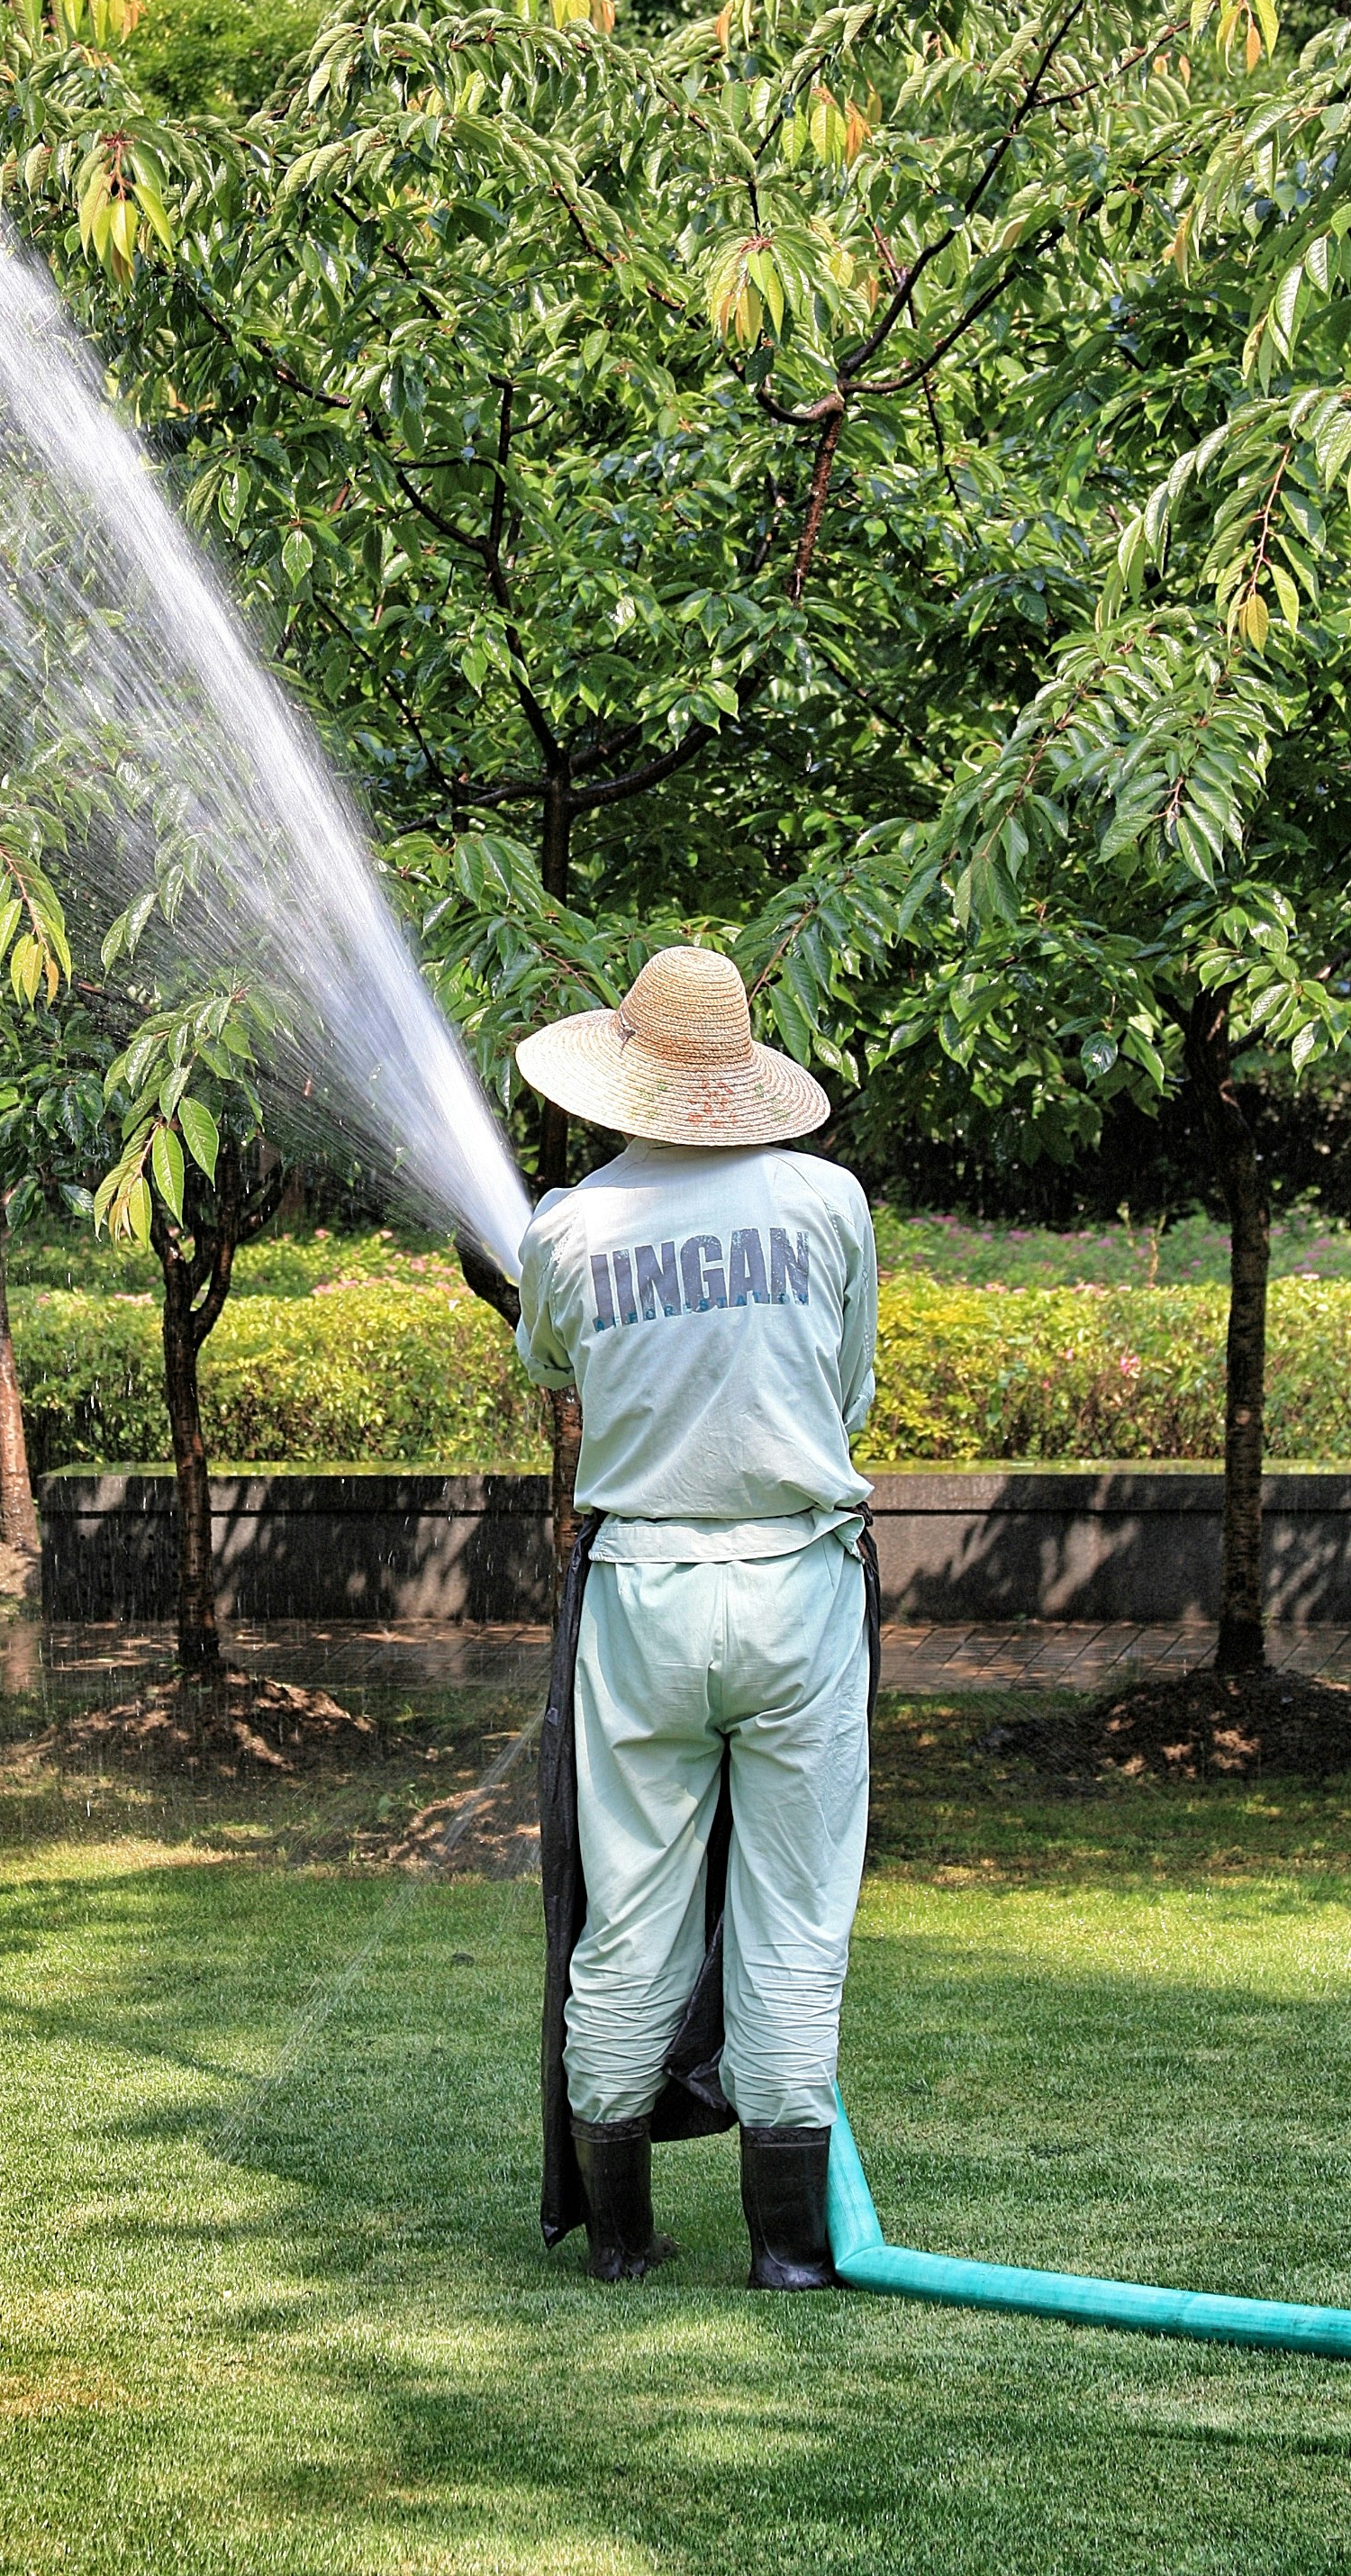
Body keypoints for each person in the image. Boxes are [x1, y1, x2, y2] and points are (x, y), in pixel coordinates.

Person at [514, 942, 878, 2289]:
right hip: (797, 1578)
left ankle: (618, 2236)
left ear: (624, 1076)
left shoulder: (568, 1225)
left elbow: (553, 1367)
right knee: (796, 1909)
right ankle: (787, 2252)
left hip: (642, 1593)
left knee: (630, 1910)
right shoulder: (829, 1202)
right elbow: (850, 1389)